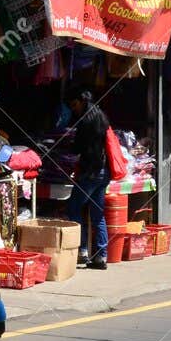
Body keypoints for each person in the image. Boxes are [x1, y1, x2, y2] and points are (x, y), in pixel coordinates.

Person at [56, 88, 112, 270]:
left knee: (74, 209)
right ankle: (102, 256)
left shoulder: (85, 121)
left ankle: (82, 251)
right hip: (103, 172)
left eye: (74, 105)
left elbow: (78, 148)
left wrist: (64, 146)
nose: (73, 109)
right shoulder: (101, 116)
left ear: (81, 100)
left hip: (89, 173)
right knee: (98, 214)